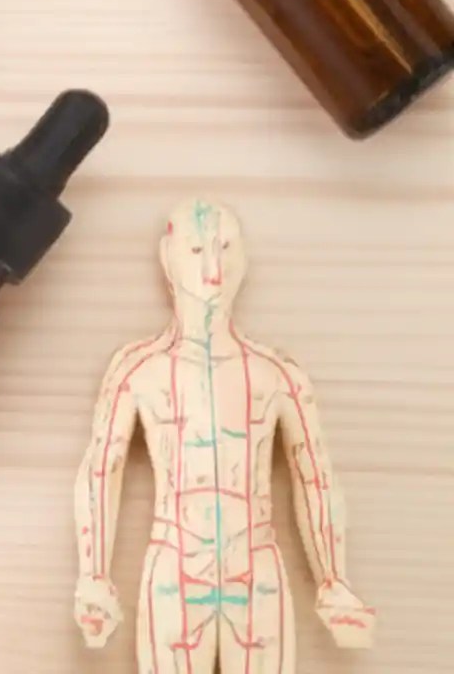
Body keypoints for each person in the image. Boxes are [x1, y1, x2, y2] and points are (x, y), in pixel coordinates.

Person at [72, 199, 375, 673]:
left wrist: (334, 579)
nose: (214, 267)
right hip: (175, 563)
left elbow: (313, 473)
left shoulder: (276, 373)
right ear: (166, 258)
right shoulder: (139, 370)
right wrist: (93, 577)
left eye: (226, 247)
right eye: (196, 249)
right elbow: (100, 469)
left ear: (245, 259)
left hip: (256, 568)